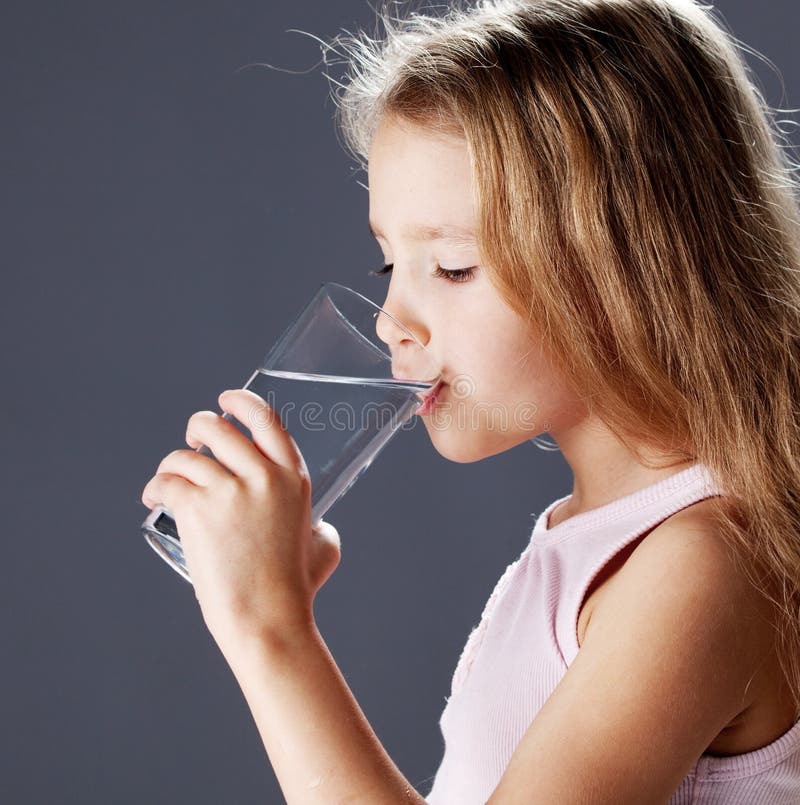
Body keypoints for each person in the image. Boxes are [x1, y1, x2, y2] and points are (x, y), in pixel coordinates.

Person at [140, 0, 800, 801]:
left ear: (620, 266)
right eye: (390, 265)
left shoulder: (698, 565)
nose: (391, 321)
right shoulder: (593, 544)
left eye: (452, 267)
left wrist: (270, 630)